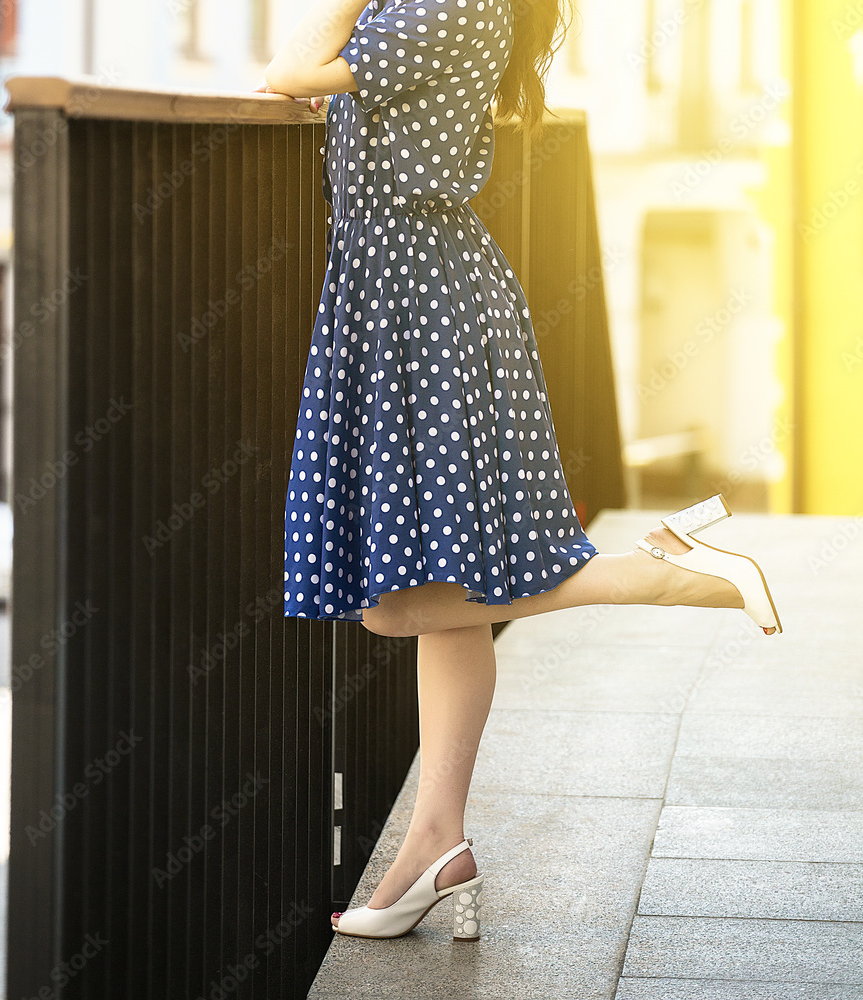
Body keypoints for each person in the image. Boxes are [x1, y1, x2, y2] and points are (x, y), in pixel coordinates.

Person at [255, 0, 782, 941]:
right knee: (442, 595)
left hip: (424, 308)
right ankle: (436, 848)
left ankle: (663, 575)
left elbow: (286, 70)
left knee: (399, 606)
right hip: (410, 300)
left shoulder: (445, 7)